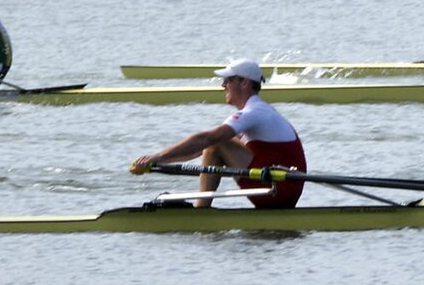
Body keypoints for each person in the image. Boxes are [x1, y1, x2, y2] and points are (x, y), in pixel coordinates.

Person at [130, 59, 307, 207]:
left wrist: (158, 155)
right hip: (274, 186)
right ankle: (201, 209)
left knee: (215, 142)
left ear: (244, 83)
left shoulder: (256, 111)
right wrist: (153, 163)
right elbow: (199, 150)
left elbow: (207, 140)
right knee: (212, 145)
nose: (223, 85)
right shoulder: (256, 112)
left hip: (280, 190)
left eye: (228, 80)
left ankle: (201, 212)